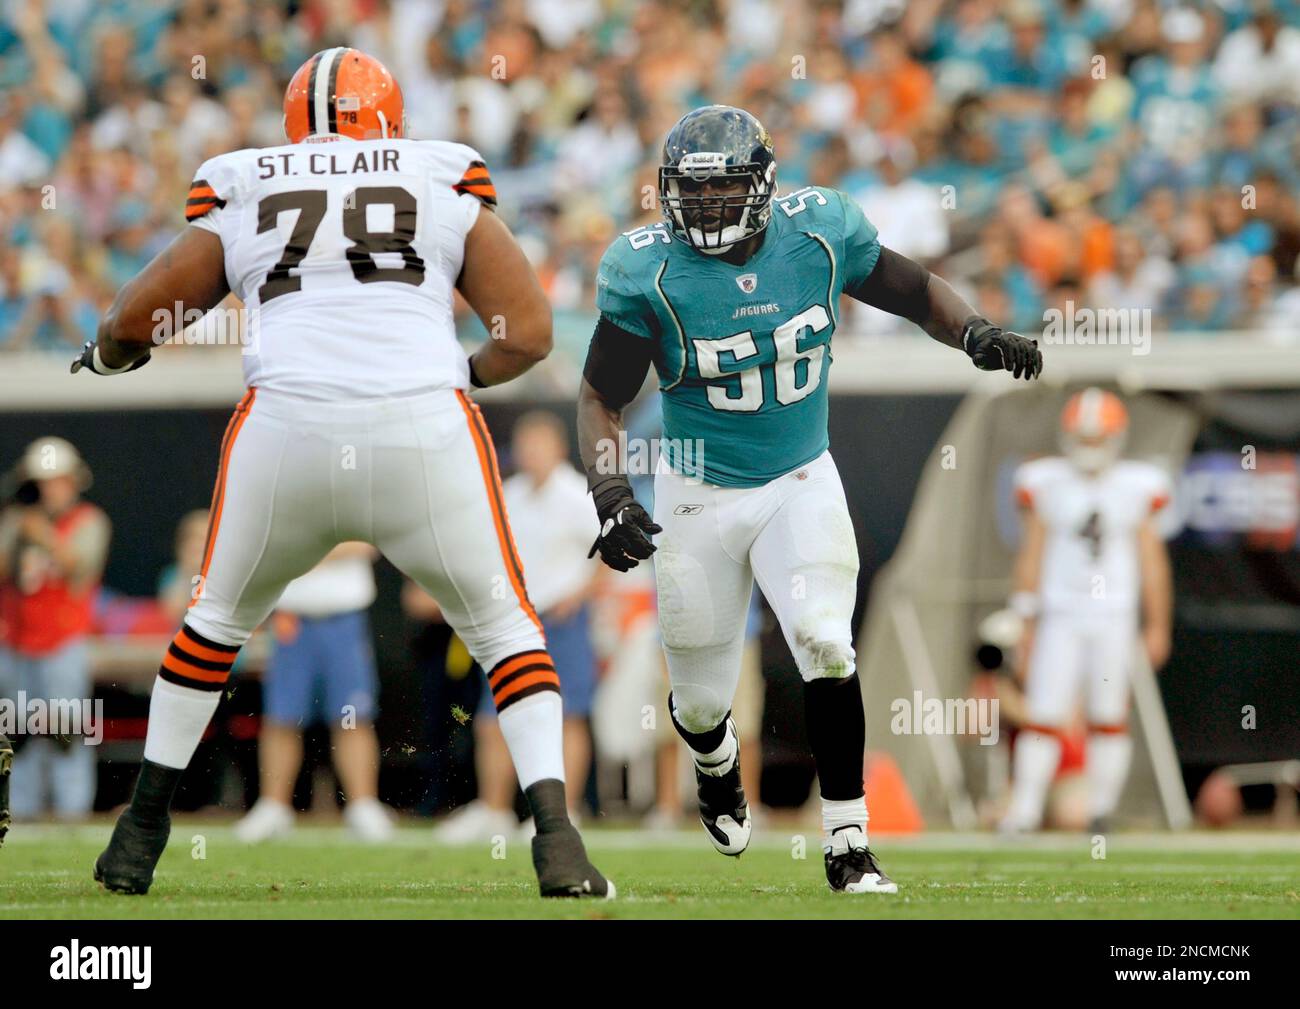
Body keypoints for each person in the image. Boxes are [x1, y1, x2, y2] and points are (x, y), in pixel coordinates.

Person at [72, 47, 611, 899]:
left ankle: (140, 831)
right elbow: (532, 332)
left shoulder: (246, 179)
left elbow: (142, 314)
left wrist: (108, 353)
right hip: (423, 431)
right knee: (508, 630)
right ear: (390, 117)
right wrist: (457, 374)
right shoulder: (437, 173)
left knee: (212, 625)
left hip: (287, 428)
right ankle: (558, 842)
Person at [577, 105, 1043, 894]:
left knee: (827, 642)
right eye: (693, 193)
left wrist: (975, 332)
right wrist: (612, 490)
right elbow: (600, 396)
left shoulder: (820, 232)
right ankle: (716, 763)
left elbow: (916, 289)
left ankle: (848, 840)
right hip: (696, 486)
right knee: (695, 698)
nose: (706, 209)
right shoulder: (647, 271)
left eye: (724, 191)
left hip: (799, 474)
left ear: (760, 187)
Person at [1000, 388, 1173, 834]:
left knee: (1108, 715)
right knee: (1044, 713)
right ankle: (1023, 811)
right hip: (1061, 614)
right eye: (1084, 437)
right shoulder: (1047, 480)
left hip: (1114, 614)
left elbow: (1152, 561)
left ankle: (1101, 811)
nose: (1090, 448)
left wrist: (1157, 625)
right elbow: (1032, 552)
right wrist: (1024, 615)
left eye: (1098, 438)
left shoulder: (1138, 484)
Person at [436, 411, 601, 841]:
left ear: (559, 447)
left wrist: (578, 595)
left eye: (540, 443)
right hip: (515, 622)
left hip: (564, 623)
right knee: (495, 717)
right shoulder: (508, 494)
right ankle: (493, 811)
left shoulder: (580, 496)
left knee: (568, 716)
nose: (532, 452)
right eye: (525, 444)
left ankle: (562, 814)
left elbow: (614, 553)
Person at [235, 543, 393, 843]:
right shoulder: (283, 495)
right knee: (282, 716)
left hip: (344, 618)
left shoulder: (355, 495)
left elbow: (366, 541)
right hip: (290, 620)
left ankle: (363, 806)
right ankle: (273, 806)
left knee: (353, 716)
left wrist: (303, 553)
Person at [0, 437, 110, 821]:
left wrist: (41, 534)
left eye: (56, 481)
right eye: (43, 482)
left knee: (66, 732)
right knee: (19, 734)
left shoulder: (89, 521)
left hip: (64, 641)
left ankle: (72, 810)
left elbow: (79, 566)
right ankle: (23, 810)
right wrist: (16, 529)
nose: (49, 490)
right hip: (16, 640)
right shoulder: (16, 521)